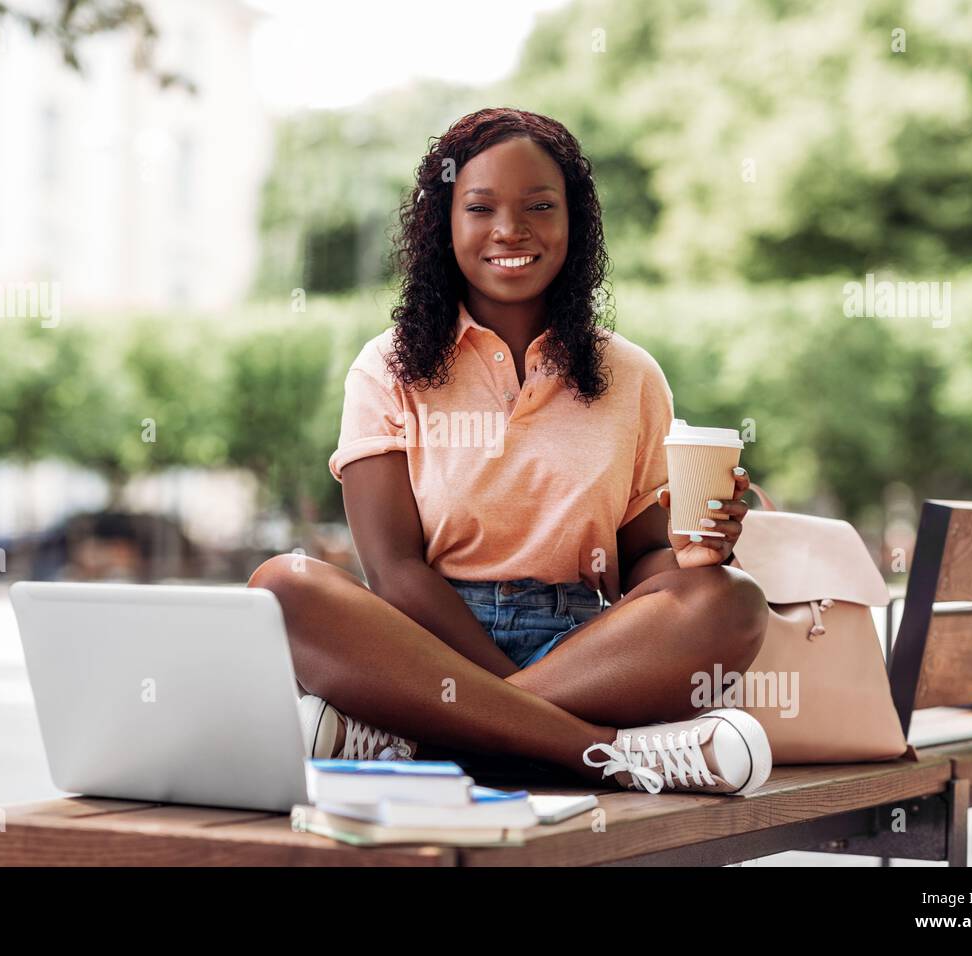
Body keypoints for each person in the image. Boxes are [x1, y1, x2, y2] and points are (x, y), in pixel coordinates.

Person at [250, 108, 771, 795]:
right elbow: (395, 570)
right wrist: (490, 689)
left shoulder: (634, 376)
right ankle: (601, 753)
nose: (510, 229)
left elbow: (644, 560)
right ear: (445, 224)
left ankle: (427, 744)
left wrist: (701, 550)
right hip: (428, 648)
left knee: (729, 600)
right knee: (283, 586)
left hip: (586, 651)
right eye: (481, 207)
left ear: (573, 223)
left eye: (539, 206)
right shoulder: (387, 370)